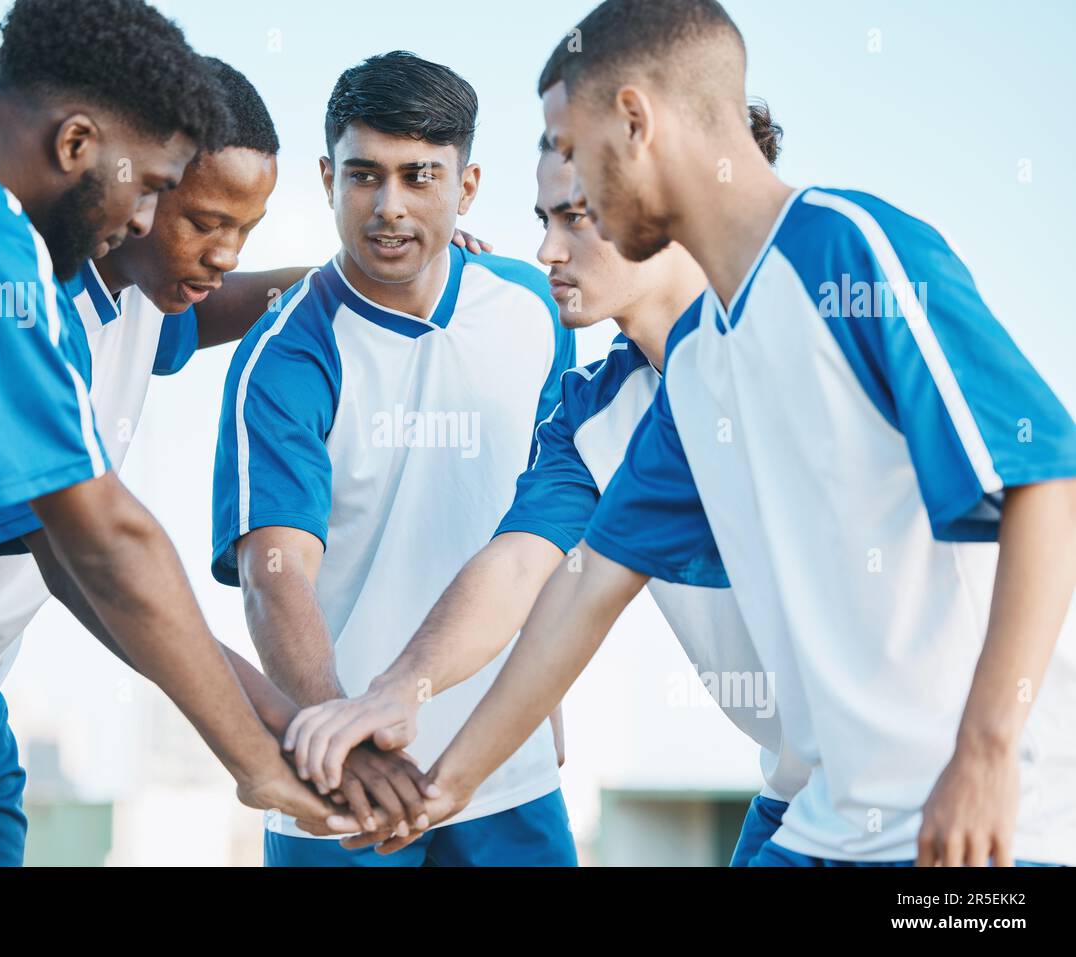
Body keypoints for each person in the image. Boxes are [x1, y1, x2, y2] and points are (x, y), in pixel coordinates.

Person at [341, 0, 1076, 867]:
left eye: (574, 157)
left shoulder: (848, 250)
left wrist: (987, 753)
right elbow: (581, 591)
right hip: (824, 817)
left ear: (636, 122)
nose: (562, 214)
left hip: (986, 819)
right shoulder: (695, 369)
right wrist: (444, 786)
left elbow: (1046, 482)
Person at [0, 3, 349, 866]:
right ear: (77, 145)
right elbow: (98, 538)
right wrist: (256, 760)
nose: (150, 217)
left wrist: (353, 278)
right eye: (156, 188)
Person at [284, 102, 806, 867]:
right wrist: (402, 695)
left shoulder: (812, 332)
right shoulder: (595, 411)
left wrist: (988, 744)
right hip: (801, 793)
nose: (545, 250)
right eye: (543, 218)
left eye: (575, 219)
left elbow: (1034, 495)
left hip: (966, 788)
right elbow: (524, 566)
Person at [212, 51, 578, 866]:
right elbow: (276, 578)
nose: (389, 206)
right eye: (363, 175)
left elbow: (547, 517)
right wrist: (348, 738)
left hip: (503, 769)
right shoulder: (284, 355)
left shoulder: (534, 308)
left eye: (420, 176)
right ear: (327, 177)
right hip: (345, 791)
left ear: (468, 186)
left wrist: (543, 690)